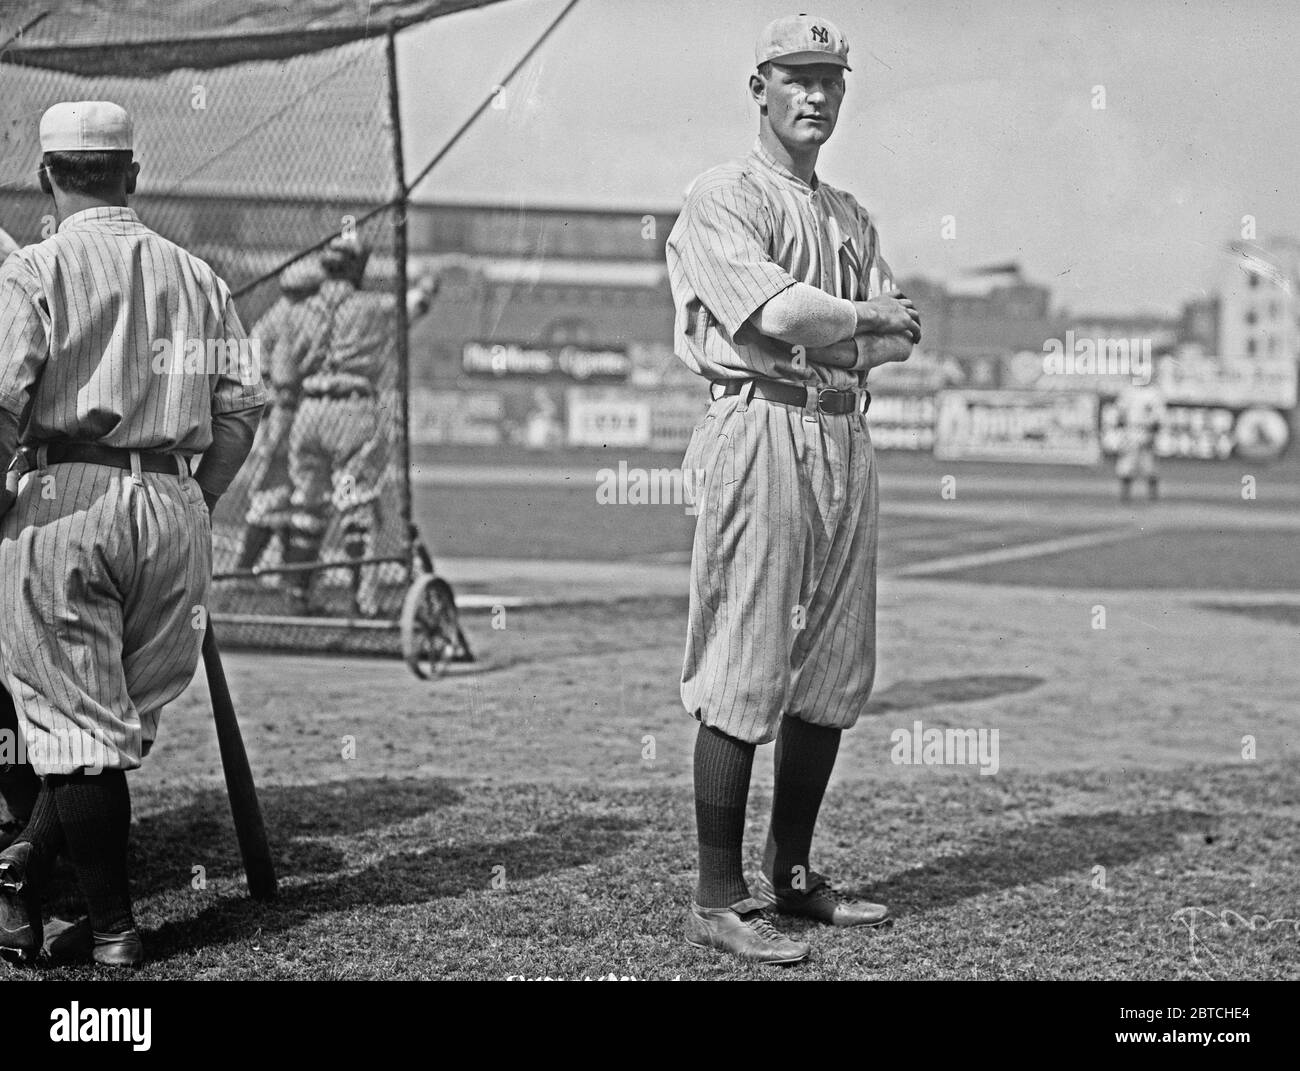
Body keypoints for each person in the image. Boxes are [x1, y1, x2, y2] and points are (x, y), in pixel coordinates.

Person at [666, 14, 921, 965]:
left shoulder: (852, 216)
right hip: (759, 422)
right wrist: (853, 317)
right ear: (760, 87)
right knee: (743, 660)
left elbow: (897, 338)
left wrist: (845, 328)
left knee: (836, 665)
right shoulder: (723, 194)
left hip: (845, 429)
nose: (815, 94)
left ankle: (797, 873)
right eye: (796, 77)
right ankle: (717, 893)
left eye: (831, 79)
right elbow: (777, 311)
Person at [0, 101, 264, 968]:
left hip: (68, 495)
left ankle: (112, 927)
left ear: (46, 177)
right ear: (133, 175)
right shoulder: (199, 276)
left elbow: (3, 406)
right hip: (174, 507)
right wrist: (199, 500)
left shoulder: (35, 268)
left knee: (77, 730)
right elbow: (241, 410)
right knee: (111, 725)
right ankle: (27, 868)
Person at [280, 236, 442, 615]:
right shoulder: (372, 307)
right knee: (356, 505)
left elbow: (285, 374)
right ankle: (364, 603)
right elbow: (415, 306)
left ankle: (298, 597)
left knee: (307, 505)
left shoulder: (298, 311)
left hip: (309, 414)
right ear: (355, 268)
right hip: (352, 412)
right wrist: (429, 286)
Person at [233, 257, 325, 574]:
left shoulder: (275, 316)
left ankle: (285, 567)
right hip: (279, 414)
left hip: (280, 412)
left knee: (286, 492)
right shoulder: (289, 318)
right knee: (275, 491)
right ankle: (245, 570)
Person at [1115, 382, 1166, 501]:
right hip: (1131, 430)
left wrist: (1154, 431)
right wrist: (1122, 427)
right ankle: (1125, 495)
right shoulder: (1128, 390)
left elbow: (1159, 416)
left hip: (1147, 431)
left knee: (1150, 466)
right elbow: (1120, 411)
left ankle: (1153, 495)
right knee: (1126, 465)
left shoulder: (1154, 392)